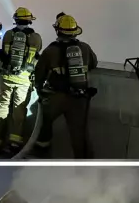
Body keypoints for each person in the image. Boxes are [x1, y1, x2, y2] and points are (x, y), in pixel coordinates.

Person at [33, 14, 99, 158]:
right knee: (79, 133)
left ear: (58, 31)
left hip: (56, 97)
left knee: (44, 121)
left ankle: (42, 150)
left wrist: (39, 89)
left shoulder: (50, 51)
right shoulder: (85, 48)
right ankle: (84, 166)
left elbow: (39, 75)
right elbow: (93, 64)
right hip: (80, 97)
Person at [0, 7, 43, 153]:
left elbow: (5, 53)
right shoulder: (36, 38)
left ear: (15, 19)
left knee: (2, 108)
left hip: (7, 77)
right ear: (29, 20)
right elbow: (36, 57)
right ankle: (15, 144)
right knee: (19, 111)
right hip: (24, 80)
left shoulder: (9, 34)